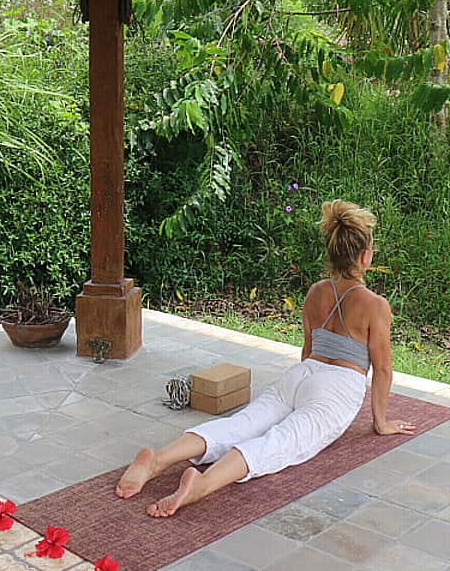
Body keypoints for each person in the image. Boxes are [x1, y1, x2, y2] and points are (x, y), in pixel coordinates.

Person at [115, 199, 417, 517]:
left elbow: (307, 349)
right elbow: (382, 370)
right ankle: (202, 485)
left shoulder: (316, 292)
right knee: (280, 442)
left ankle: (158, 460)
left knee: (243, 423)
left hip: (302, 375)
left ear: (331, 254)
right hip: (338, 386)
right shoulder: (375, 305)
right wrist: (380, 423)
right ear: (365, 256)